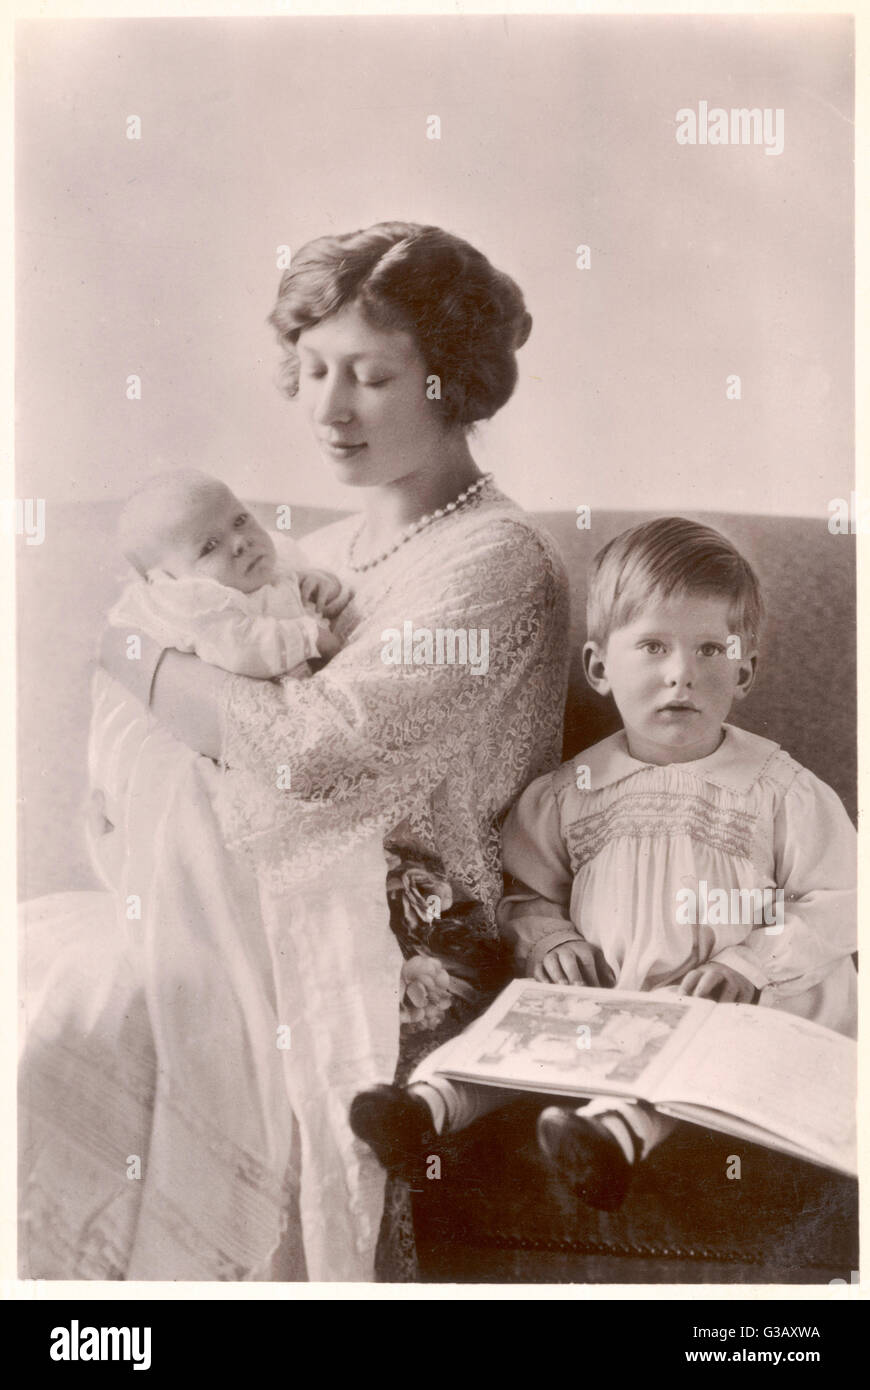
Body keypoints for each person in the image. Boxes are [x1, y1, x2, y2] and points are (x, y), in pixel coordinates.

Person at [19, 221, 570, 1281]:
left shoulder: (499, 562)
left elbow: (309, 756)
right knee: (46, 990)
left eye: (369, 375)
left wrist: (135, 655)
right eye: (313, 369)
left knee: (105, 1013)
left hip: (407, 943)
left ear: (450, 380)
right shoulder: (304, 553)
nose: (327, 407)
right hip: (252, 890)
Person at [350, 517, 857, 1211]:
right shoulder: (570, 793)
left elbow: (841, 899)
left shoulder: (779, 790)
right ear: (598, 668)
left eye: (711, 649)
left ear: (744, 671)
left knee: (703, 1067)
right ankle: (426, 1107)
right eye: (653, 646)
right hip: (604, 1004)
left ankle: (611, 1138)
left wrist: (751, 963)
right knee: (517, 1033)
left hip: (722, 1006)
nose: (682, 672)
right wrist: (551, 939)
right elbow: (524, 893)